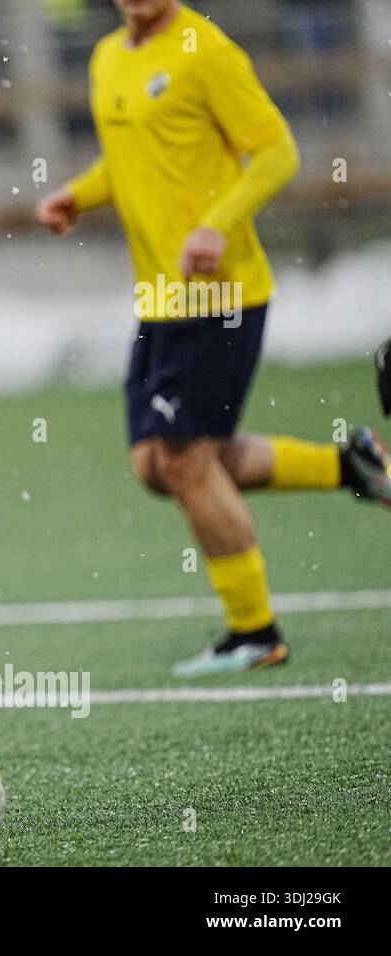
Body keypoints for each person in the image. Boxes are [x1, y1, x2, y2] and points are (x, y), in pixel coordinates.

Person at [35, 0, 391, 677]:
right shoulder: (110, 56)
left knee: (185, 460)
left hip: (222, 294)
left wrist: (218, 224)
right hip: (163, 298)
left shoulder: (209, 51)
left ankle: (256, 632)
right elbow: (133, 158)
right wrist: (78, 195)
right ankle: (347, 467)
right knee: (157, 467)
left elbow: (277, 152)